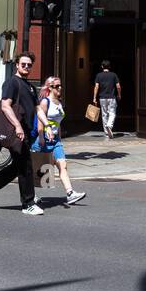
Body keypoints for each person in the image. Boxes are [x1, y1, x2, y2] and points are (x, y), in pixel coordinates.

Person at [0, 50, 42, 216]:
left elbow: (38, 109)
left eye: (29, 65)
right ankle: (28, 203)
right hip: (17, 132)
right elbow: (6, 106)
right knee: (25, 165)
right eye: (23, 64)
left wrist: (47, 126)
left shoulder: (31, 87)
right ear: (17, 65)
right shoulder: (12, 83)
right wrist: (18, 126)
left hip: (27, 132)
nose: (26, 67)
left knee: (17, 167)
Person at [34, 77, 86, 207]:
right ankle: (31, 195)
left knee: (62, 165)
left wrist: (60, 139)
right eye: (57, 86)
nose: (60, 88)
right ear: (50, 88)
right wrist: (41, 137)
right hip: (43, 139)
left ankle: (70, 193)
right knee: (39, 169)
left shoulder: (59, 102)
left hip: (55, 140)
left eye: (60, 85)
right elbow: (40, 120)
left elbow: (58, 123)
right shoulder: (45, 102)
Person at [93, 60, 121, 138]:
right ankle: (109, 125)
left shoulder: (98, 75)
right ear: (109, 67)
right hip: (111, 97)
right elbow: (118, 86)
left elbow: (96, 87)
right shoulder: (114, 75)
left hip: (102, 98)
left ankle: (106, 132)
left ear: (102, 66)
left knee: (104, 114)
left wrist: (94, 97)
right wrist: (119, 94)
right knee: (112, 113)